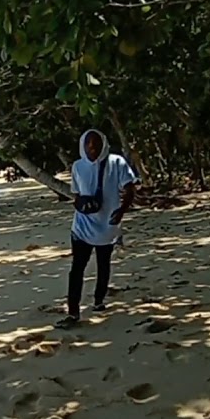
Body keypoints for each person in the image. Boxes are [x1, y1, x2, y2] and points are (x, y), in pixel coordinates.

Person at [55, 128, 138, 329]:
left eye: (96, 143)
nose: (92, 147)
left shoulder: (116, 162)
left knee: (103, 264)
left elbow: (130, 188)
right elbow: (77, 194)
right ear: (82, 145)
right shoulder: (77, 166)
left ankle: (99, 300)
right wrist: (80, 204)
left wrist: (121, 211)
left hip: (107, 224)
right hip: (82, 226)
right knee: (77, 268)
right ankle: (73, 312)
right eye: (88, 143)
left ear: (103, 144)